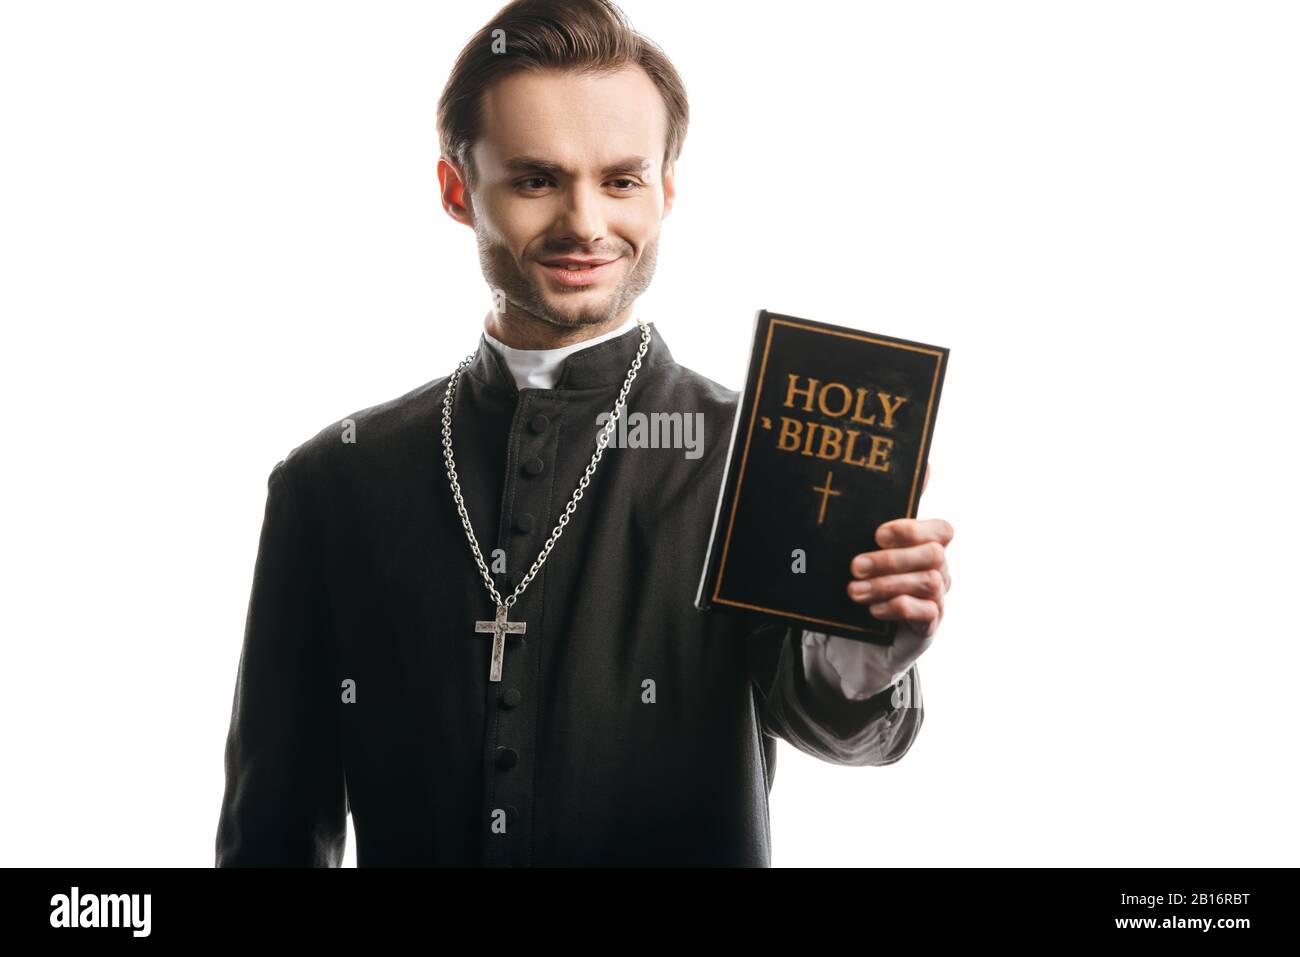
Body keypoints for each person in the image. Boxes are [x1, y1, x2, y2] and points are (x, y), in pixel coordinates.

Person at [215, 0, 954, 868]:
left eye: (621, 179)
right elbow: (271, 828)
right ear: (459, 191)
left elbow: (835, 725)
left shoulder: (753, 454)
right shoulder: (330, 482)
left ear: (667, 190)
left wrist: (860, 663)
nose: (585, 224)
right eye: (535, 179)